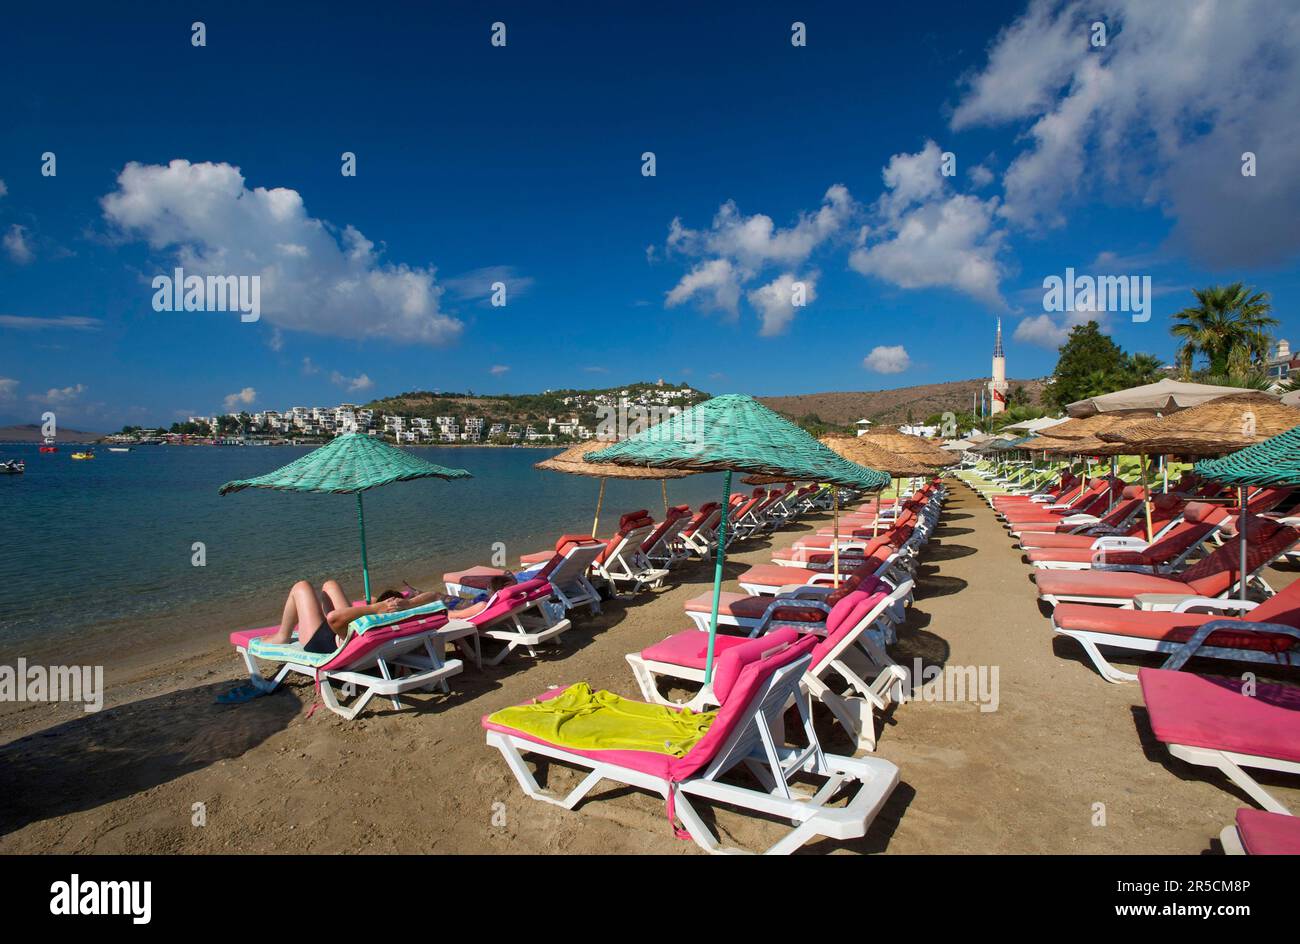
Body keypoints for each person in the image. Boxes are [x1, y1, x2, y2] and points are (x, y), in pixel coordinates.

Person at [266, 580, 439, 654]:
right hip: (344, 631)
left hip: (320, 642)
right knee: (330, 585)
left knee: (301, 586)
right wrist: (408, 604)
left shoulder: (373, 619)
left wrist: (374, 608)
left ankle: (283, 635)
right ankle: (309, 613)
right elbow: (435, 596)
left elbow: (334, 619)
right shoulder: (405, 615)